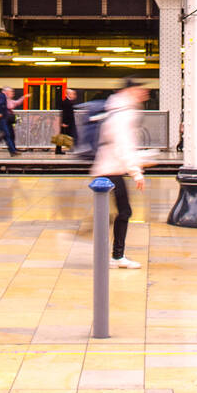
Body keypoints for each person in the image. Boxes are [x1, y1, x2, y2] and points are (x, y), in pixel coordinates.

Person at [90, 79, 151, 269]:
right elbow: (124, 145)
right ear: (130, 91)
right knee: (124, 211)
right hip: (111, 168)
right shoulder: (124, 114)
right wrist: (136, 173)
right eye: (141, 90)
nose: (145, 94)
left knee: (116, 212)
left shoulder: (116, 109)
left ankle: (113, 254)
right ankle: (117, 256)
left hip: (108, 167)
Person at [56, 86, 77, 155]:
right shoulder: (67, 102)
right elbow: (65, 113)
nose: (74, 96)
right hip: (67, 123)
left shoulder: (67, 102)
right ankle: (59, 150)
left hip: (67, 122)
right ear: (68, 94)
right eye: (72, 94)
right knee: (71, 136)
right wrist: (64, 122)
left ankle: (58, 150)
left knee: (63, 136)